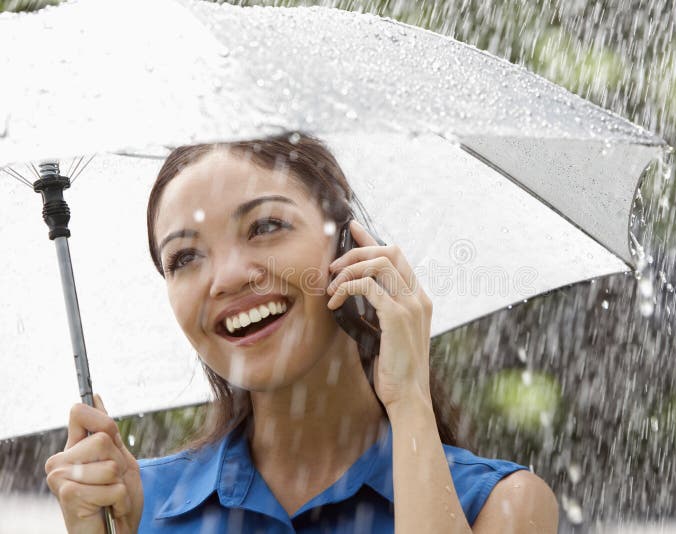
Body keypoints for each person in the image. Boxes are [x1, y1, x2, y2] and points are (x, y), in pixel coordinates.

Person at [44, 132, 559, 533]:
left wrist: (409, 397)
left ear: (349, 244)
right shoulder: (136, 508)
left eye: (265, 227)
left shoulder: (500, 505)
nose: (226, 278)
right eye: (185, 257)